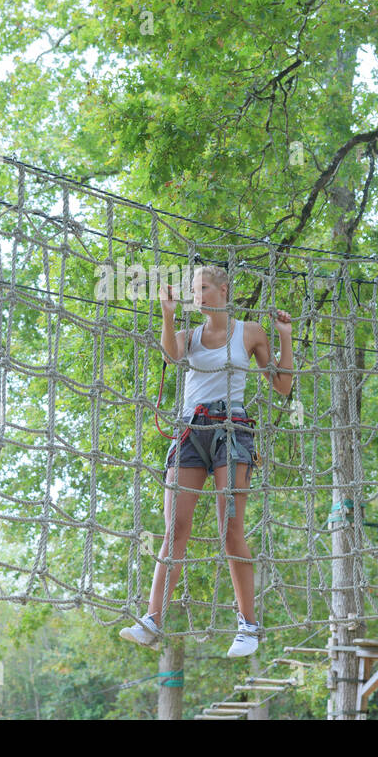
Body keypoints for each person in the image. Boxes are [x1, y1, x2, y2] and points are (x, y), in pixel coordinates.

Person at [120, 265, 293, 657]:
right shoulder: (189, 336)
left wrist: (284, 336)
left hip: (231, 433)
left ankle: (248, 626)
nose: (196, 296)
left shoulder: (250, 332)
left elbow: (282, 385)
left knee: (230, 530)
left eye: (202, 288)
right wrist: (167, 315)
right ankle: (152, 620)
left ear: (223, 290)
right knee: (175, 528)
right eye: (193, 290)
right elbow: (171, 355)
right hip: (191, 432)